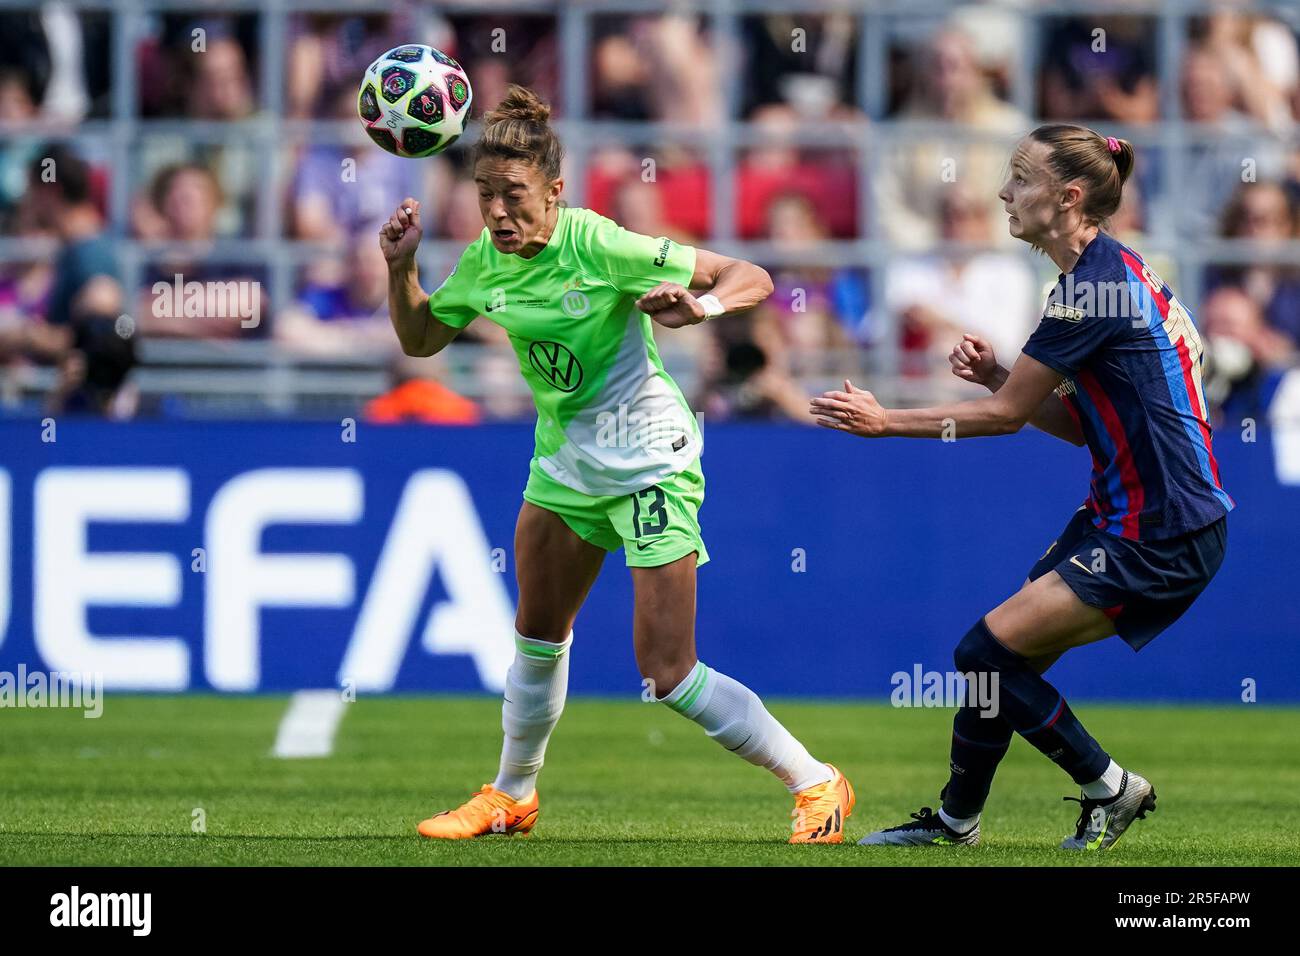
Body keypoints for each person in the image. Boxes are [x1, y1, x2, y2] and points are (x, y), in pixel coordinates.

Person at [381, 86, 856, 843]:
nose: (498, 213)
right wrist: (401, 270)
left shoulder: (600, 245)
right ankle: (512, 795)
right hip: (566, 467)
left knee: (667, 673)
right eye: (485, 196)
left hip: (648, 466)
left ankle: (818, 783)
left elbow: (751, 277)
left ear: (555, 191)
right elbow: (420, 342)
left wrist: (700, 310)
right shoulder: (482, 261)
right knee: (537, 636)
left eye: (515, 195)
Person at [812, 125, 1232, 851]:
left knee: (984, 657)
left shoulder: (1092, 288)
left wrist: (884, 421)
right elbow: (1076, 426)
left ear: (1068, 198)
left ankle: (1112, 788)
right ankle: (955, 821)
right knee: (999, 664)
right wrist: (1004, 376)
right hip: (1130, 515)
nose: (1003, 192)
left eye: (1019, 177)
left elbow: (1005, 421)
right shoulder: (1104, 273)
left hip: (1161, 529)